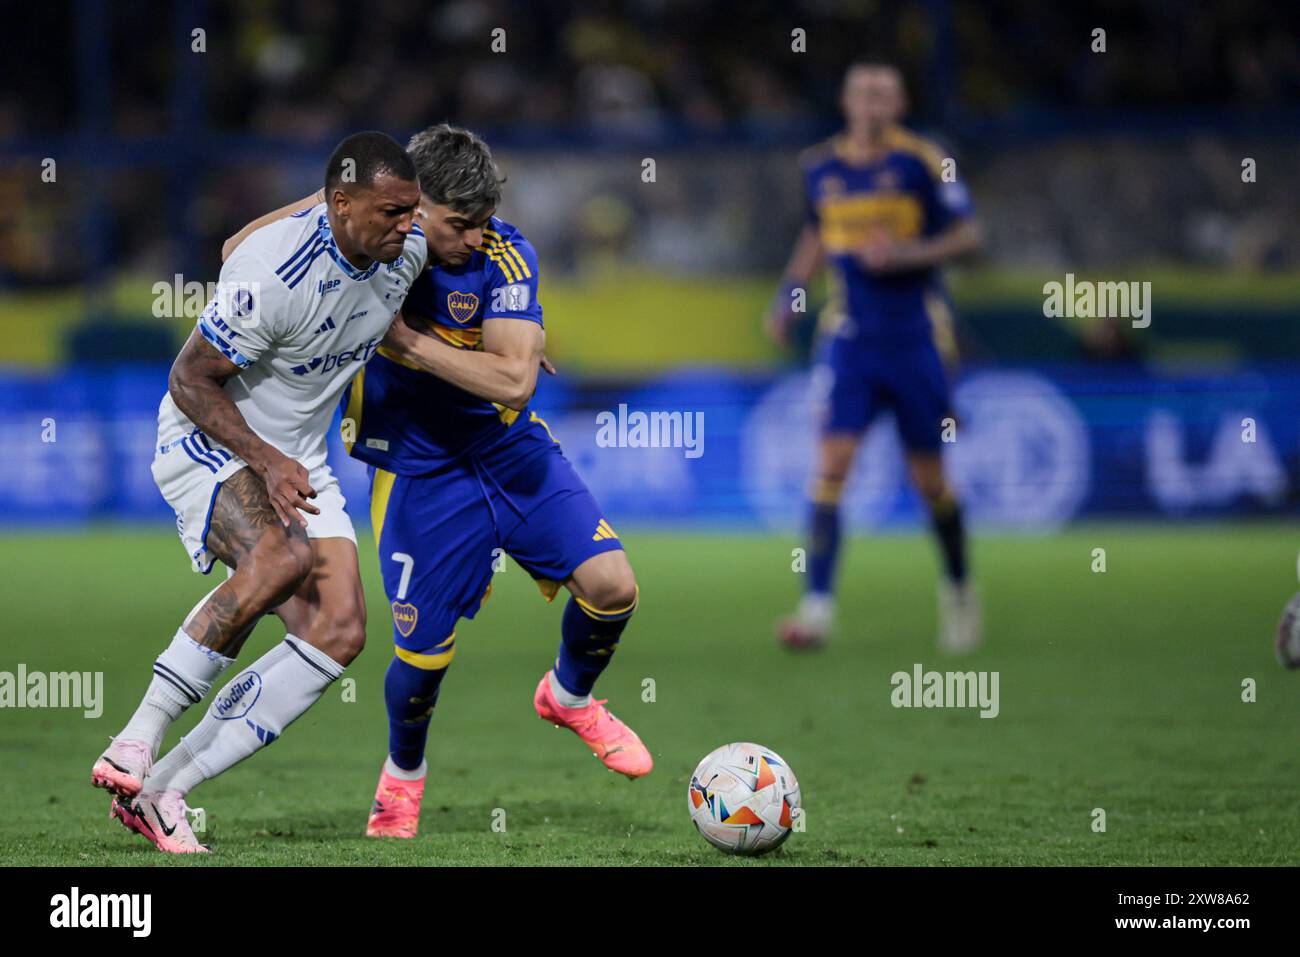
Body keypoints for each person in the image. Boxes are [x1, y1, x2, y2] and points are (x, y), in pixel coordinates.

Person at [90, 131, 428, 853]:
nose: (410, 225)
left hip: (299, 456)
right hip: (211, 439)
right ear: (340, 203)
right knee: (279, 559)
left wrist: (505, 337)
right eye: (393, 210)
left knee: (339, 631)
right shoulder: (274, 272)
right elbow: (190, 379)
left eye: (415, 210)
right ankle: (136, 738)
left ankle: (162, 791)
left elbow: (398, 312)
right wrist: (267, 459)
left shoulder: (407, 251)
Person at [768, 63, 984, 653]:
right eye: (863, 92)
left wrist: (909, 252)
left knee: (930, 482)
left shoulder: (926, 159)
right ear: (845, 100)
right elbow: (816, 236)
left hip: (916, 337)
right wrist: (789, 296)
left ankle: (959, 590)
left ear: (901, 101)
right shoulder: (820, 168)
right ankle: (816, 608)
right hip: (851, 338)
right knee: (831, 466)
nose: (872, 103)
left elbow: (968, 237)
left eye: (884, 93)